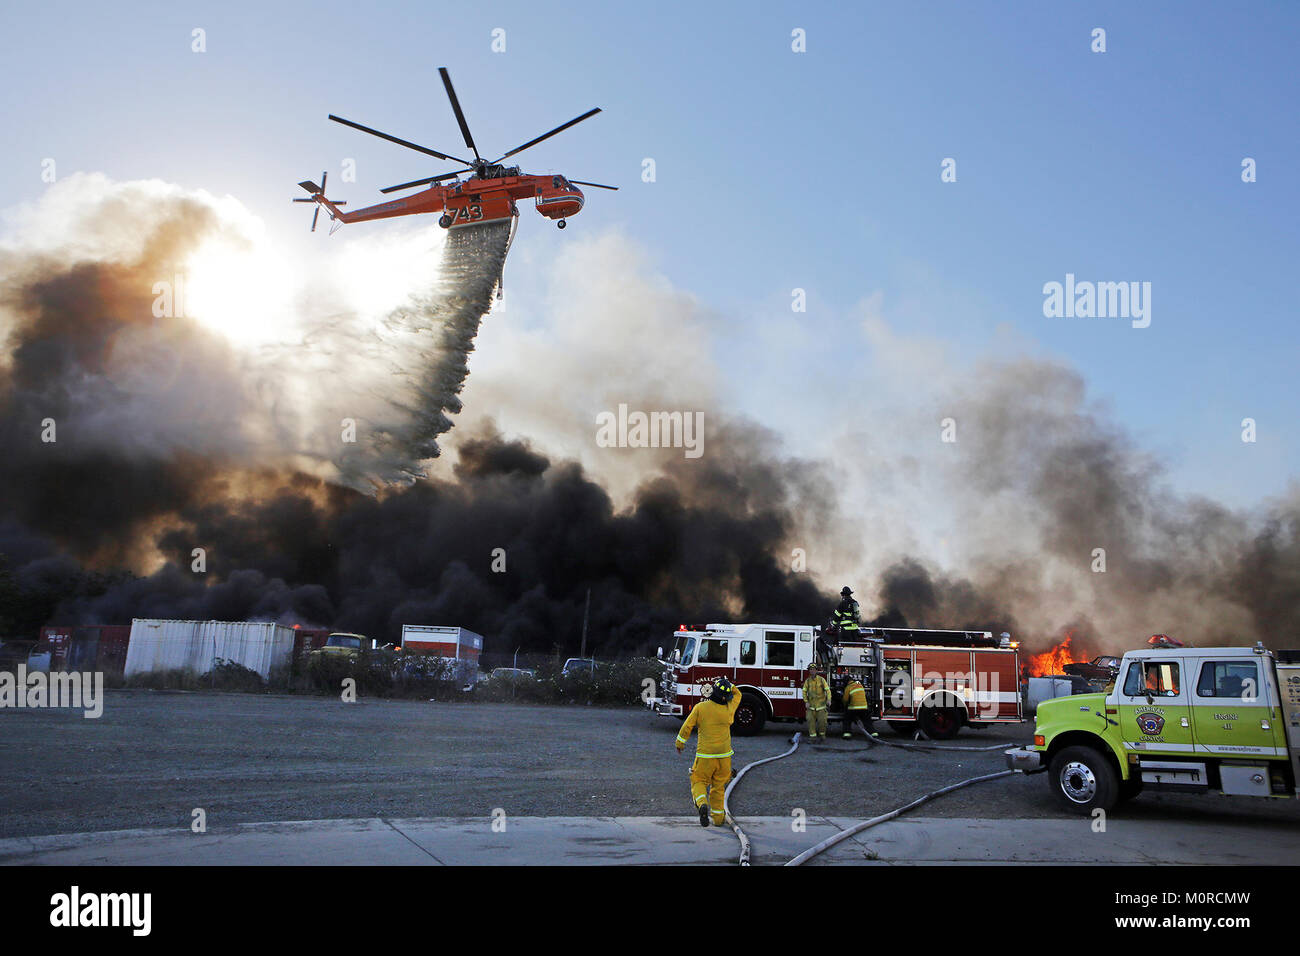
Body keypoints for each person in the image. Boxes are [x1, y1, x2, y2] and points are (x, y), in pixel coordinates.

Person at [675, 676, 742, 827]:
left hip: (705, 755)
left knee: (698, 780)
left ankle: (702, 803)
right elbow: (738, 694)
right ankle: (718, 819)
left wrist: (680, 743)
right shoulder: (729, 709)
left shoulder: (701, 708)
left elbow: (687, 726)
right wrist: (729, 684)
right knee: (718, 787)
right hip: (725, 757)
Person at [802, 664, 831, 742]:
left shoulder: (821, 680)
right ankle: (813, 737)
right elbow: (804, 691)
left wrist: (829, 700)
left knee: (822, 722)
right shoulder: (807, 681)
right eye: (810, 669)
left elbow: (827, 690)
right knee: (810, 722)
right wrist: (806, 701)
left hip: (821, 706)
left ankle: (822, 735)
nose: (812, 671)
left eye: (813, 669)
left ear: (816, 670)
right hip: (811, 706)